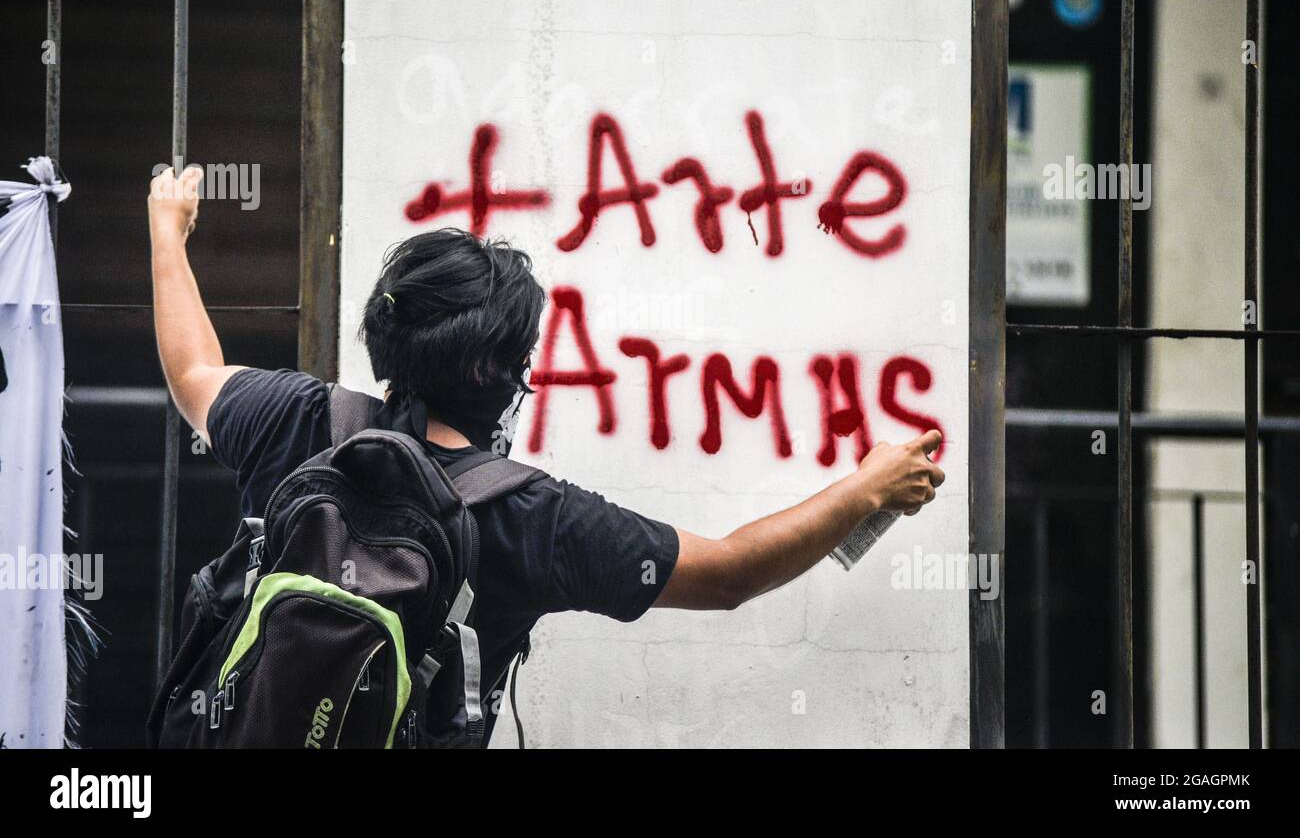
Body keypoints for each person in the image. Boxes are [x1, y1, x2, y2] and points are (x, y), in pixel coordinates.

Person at [148, 165, 944, 744]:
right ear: (496, 373)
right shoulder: (532, 515)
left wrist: (167, 230)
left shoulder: (299, 419)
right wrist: (867, 487)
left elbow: (192, 375)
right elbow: (731, 570)